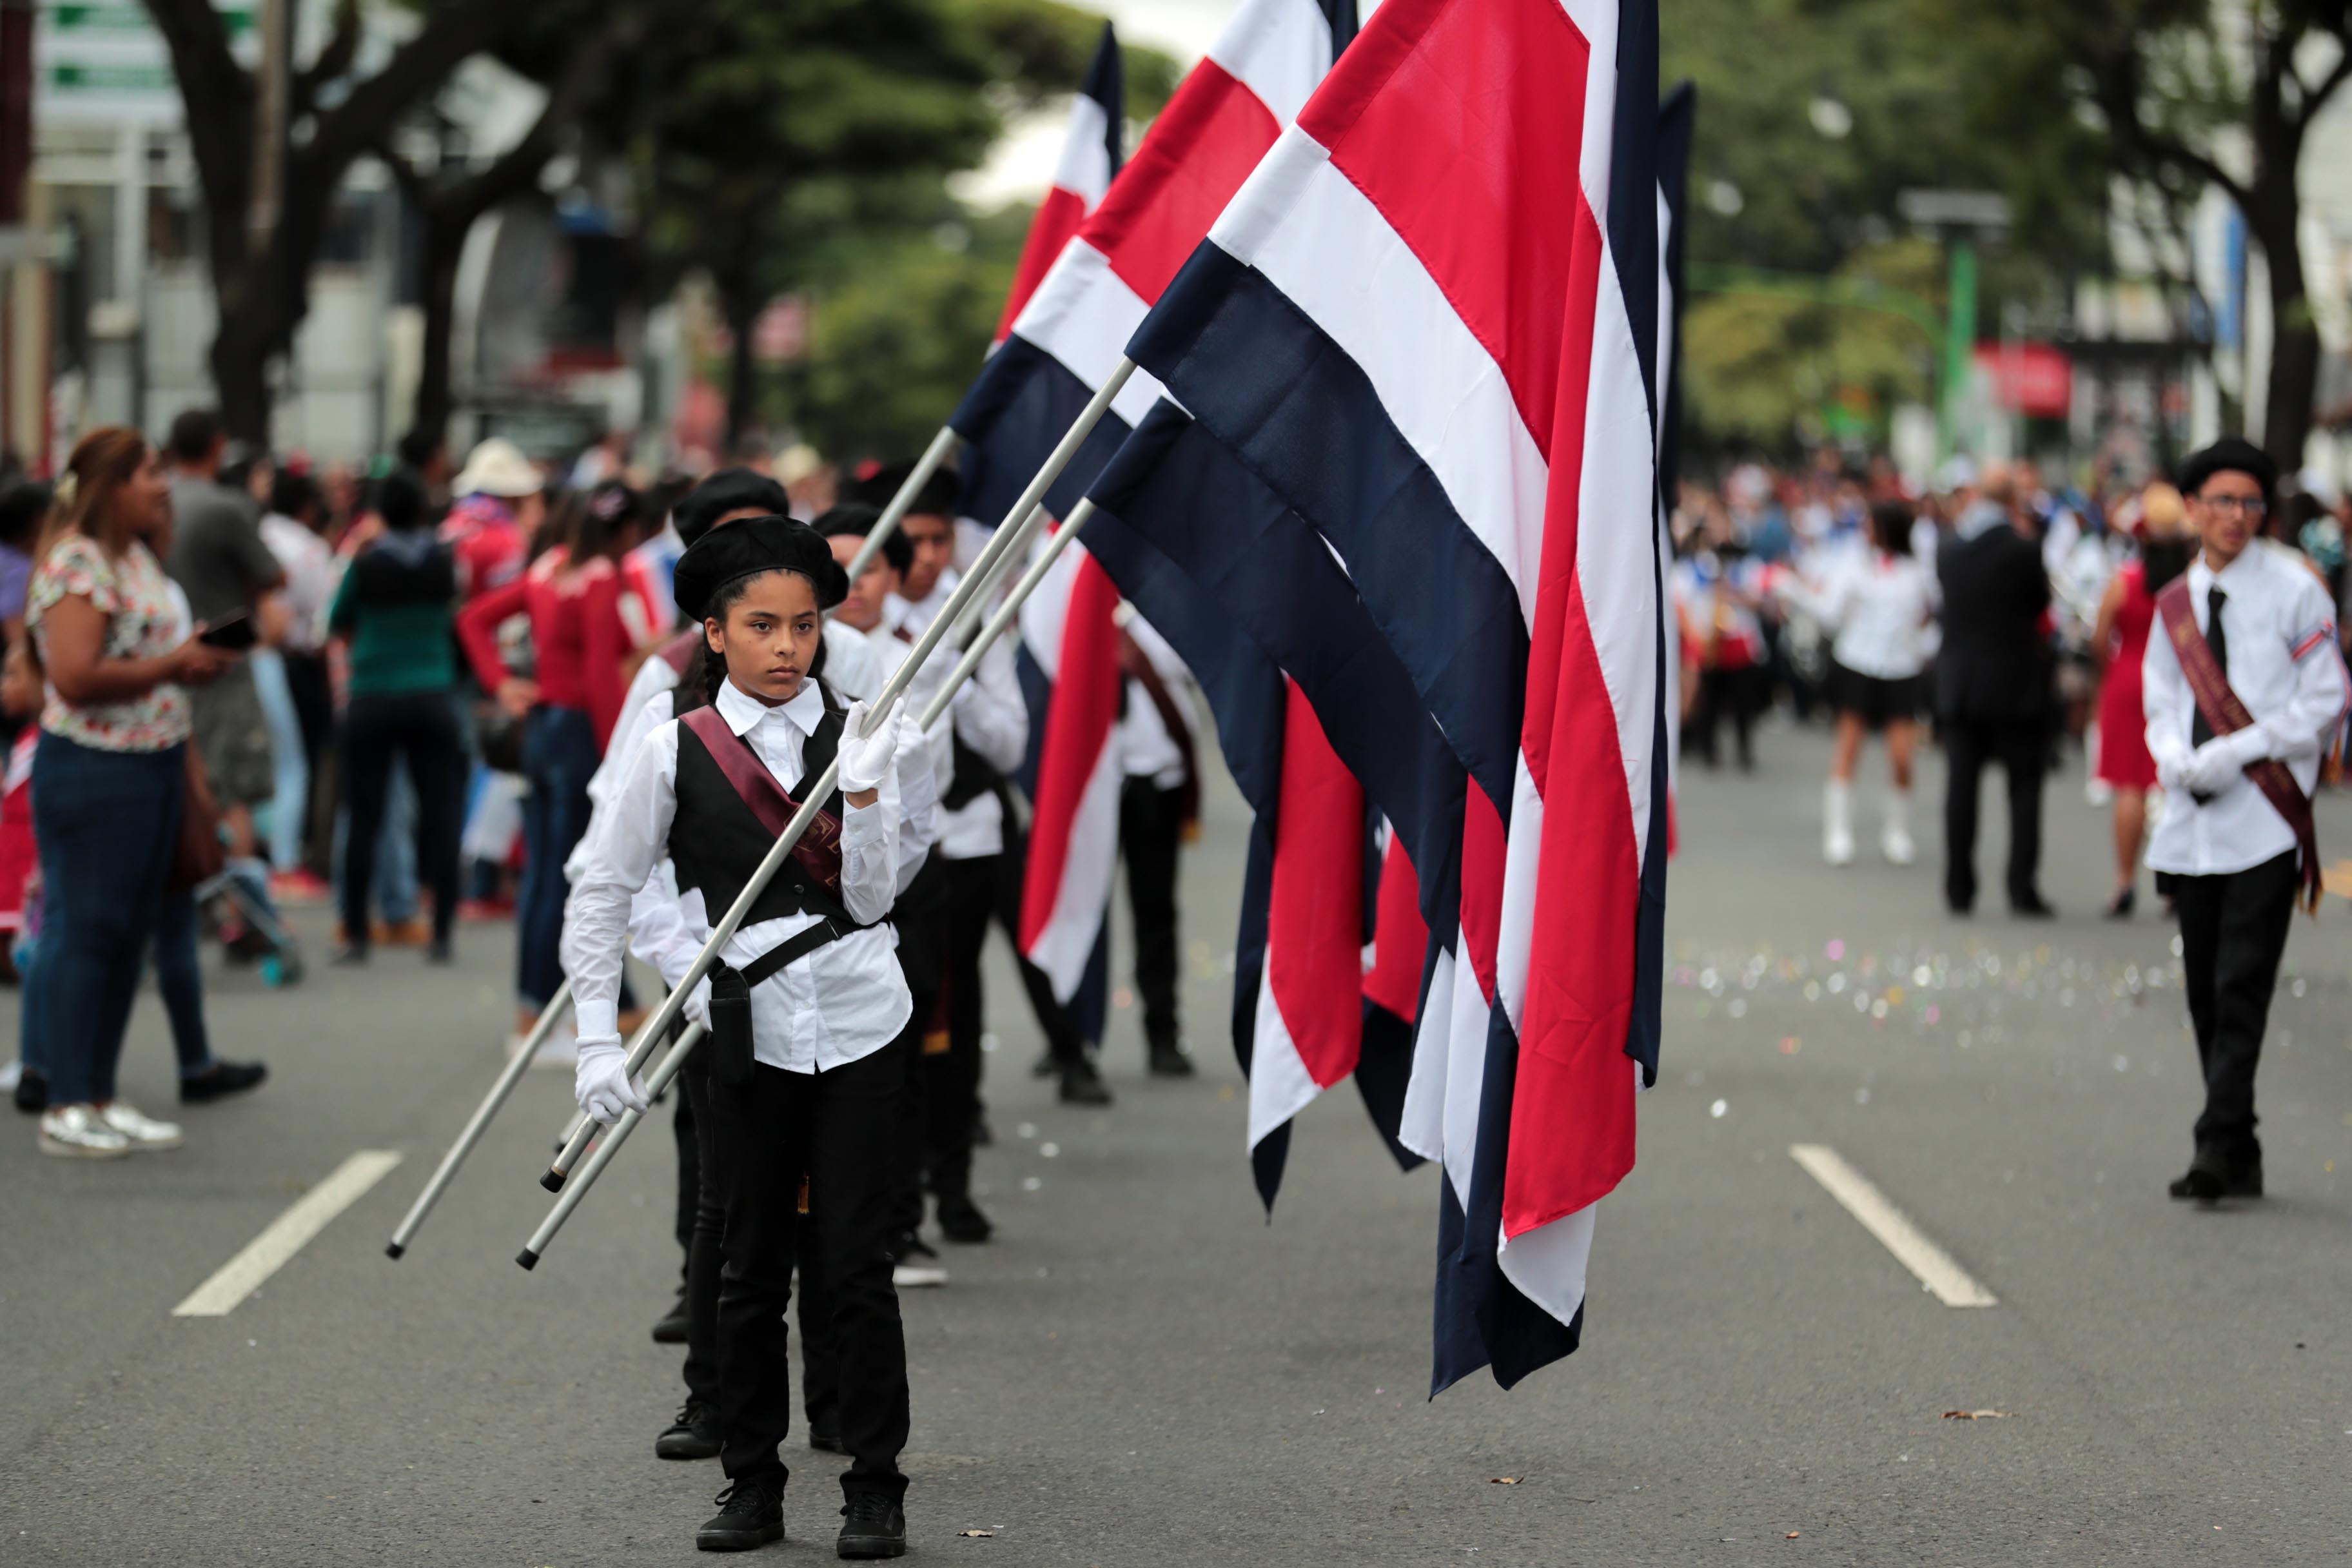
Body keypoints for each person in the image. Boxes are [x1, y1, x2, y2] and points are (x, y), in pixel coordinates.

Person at [562, 516, 936, 1557]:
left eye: (804, 626)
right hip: (744, 1029)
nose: (786, 647)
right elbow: (602, 892)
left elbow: (869, 898)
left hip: (862, 1017)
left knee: (857, 1262)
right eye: (761, 626)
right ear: (714, 634)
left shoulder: (872, 731)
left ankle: (873, 1480)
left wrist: (862, 789)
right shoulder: (670, 749)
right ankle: (751, 1477)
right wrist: (600, 1037)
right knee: (745, 1262)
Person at [2141, 438, 2349, 1202]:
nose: (2237, 516)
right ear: (2192, 507)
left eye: (2251, 502)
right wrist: (2172, 752)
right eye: (2222, 501)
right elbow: (2160, 690)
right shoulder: (2176, 598)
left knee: (2241, 984)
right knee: (2203, 987)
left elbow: (2324, 698)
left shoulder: (2298, 589)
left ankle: (2215, 1143)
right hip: (2193, 821)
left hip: (2265, 813)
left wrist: (2242, 748)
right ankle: (2241, 1143)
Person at [23, 428, 237, 1156]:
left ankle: (101, 1095)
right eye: (150, 473)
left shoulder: (135, 556)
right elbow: (76, 678)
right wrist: (174, 663)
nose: (163, 483)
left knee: (127, 938)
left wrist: (189, 660)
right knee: (88, 931)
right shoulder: (78, 561)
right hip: (93, 768)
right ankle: (66, 1101)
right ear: (113, 485)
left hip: (153, 762)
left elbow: (143, 653)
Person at [458, 481, 654, 1040]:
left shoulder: (547, 568)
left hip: (540, 729)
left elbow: (473, 619)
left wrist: (503, 683)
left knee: (546, 878)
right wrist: (626, 752)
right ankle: (548, 1016)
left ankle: (537, 1010)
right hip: (578, 736)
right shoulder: (599, 579)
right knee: (576, 883)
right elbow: (598, 673)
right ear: (622, 530)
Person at [327, 469, 467, 966]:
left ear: (381, 512)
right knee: (442, 814)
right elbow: (456, 613)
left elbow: (337, 623)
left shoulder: (364, 564)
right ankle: (443, 932)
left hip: (372, 697)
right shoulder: (445, 561)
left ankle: (357, 932)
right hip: (433, 695)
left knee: (364, 817)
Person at [162, 409, 286, 868]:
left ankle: (194, 891)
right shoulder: (226, 506)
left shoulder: (159, 501)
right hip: (222, 655)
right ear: (218, 444)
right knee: (231, 787)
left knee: (179, 780)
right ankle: (239, 907)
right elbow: (274, 576)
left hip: (161, 658)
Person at [1782, 500, 1937, 867]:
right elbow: (1830, 614)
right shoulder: (1853, 564)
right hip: (1858, 663)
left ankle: (1896, 833)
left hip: (1902, 668)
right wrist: (1794, 590)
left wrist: (1924, 647)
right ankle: (1838, 833)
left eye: (1873, 524)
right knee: (1848, 750)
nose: (1866, 530)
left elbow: (1931, 617)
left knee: (1902, 756)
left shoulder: (1917, 571)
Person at [1936, 465, 2056, 917]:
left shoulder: (1948, 548)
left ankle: (1958, 886)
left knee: (1961, 789)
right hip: (2016, 684)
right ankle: (2021, 887)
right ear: (2011, 501)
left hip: (1962, 684)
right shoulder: (2024, 550)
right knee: (2024, 790)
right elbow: (2039, 605)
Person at [2091, 483, 2194, 917]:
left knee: (2129, 785)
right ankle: (2173, 885)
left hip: (2130, 678)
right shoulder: (2191, 584)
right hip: (2181, 682)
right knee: (2174, 783)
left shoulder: (2126, 580)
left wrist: (2110, 670)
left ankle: (2124, 880)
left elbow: (2100, 636)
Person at [1115, 612, 1200, 1075]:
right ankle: (1071, 1039)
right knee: (1078, 907)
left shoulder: (1162, 595)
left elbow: (1186, 660)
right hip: (1094, 784)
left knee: (1155, 913)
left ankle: (1162, 1031)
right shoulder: (1064, 585)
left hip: (1155, 781)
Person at [257, 469, 337, 890]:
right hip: (292, 660)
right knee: (294, 763)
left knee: (269, 759)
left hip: (251, 656)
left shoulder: (258, 534)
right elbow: (323, 615)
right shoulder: (308, 549)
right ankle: (285, 860)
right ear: (307, 506)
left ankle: (269, 854)